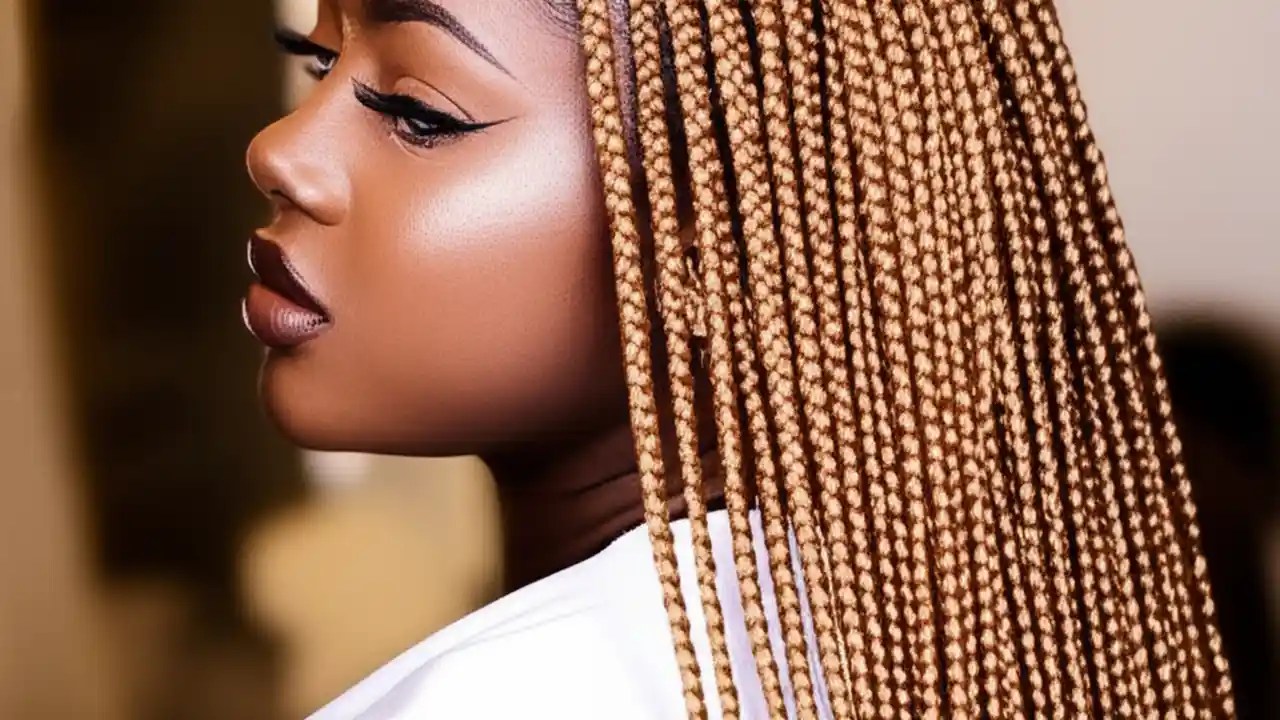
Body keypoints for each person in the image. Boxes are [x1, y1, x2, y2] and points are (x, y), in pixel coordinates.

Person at [241, 0, 1235, 717]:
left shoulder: (514, 697)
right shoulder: (897, 641)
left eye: (416, 113)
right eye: (317, 62)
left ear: (718, 238)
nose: (279, 150)